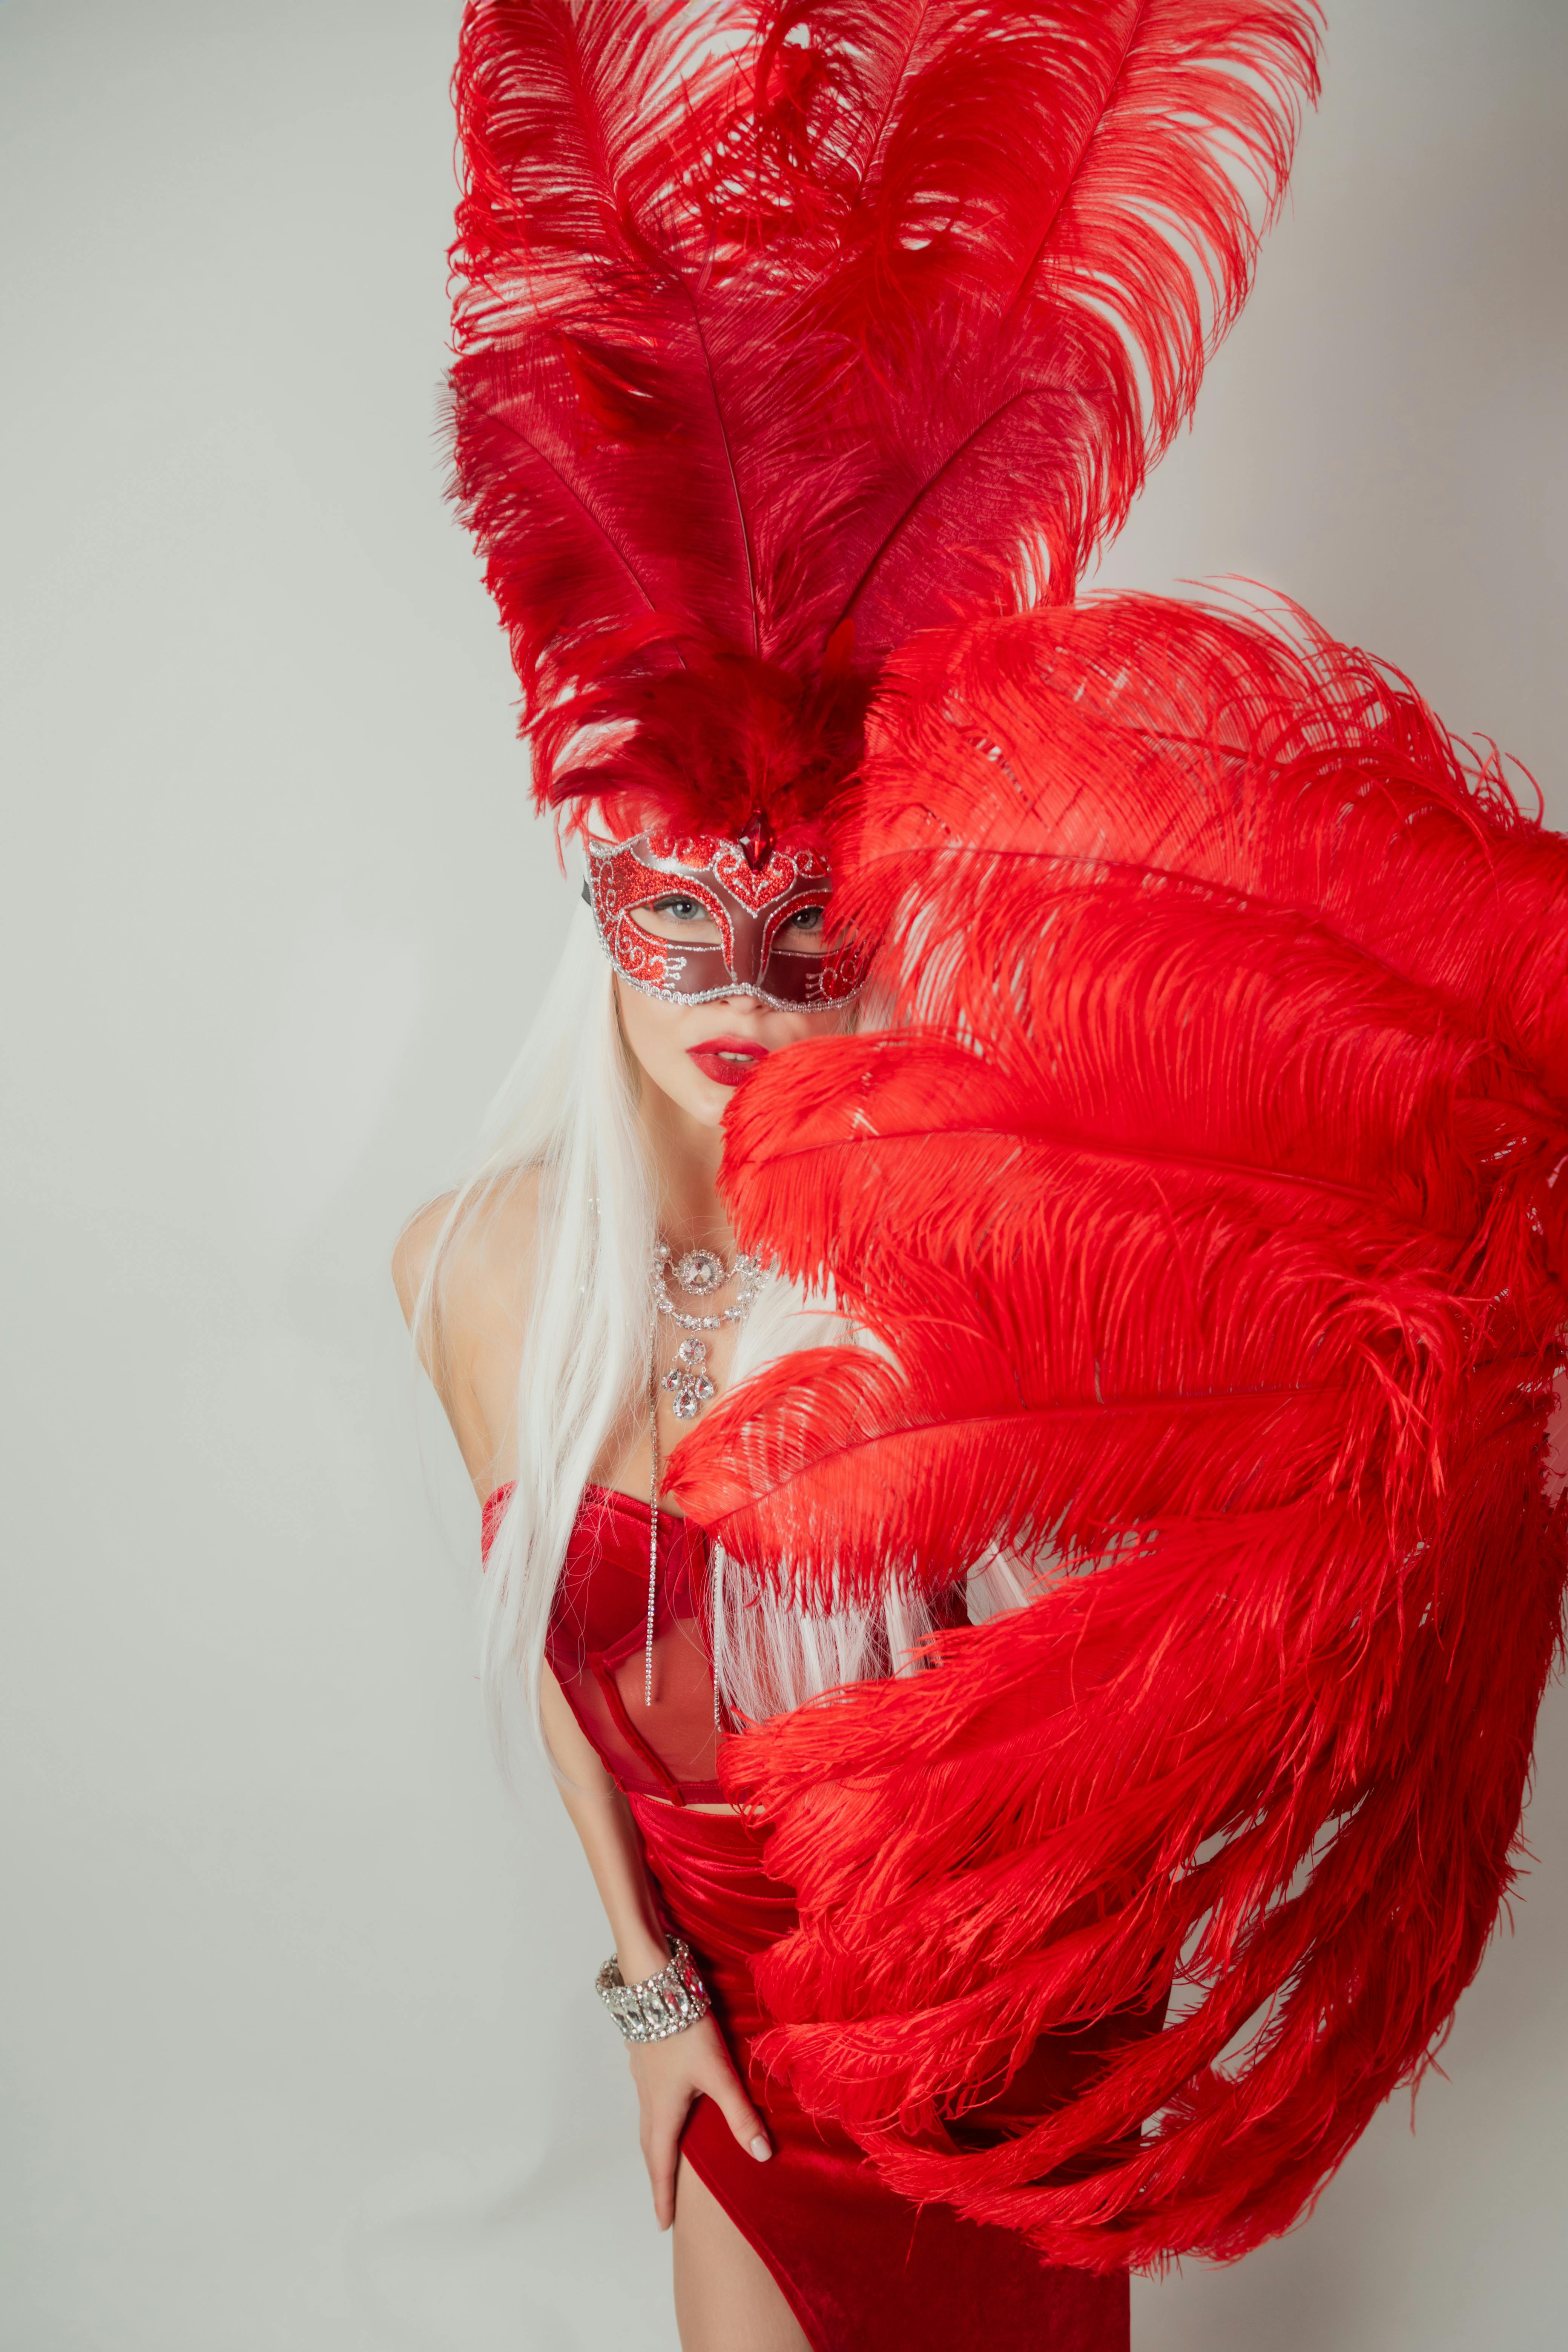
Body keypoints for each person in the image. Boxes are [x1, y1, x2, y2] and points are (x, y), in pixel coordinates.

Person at [396, 4, 1568, 2345]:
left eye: (802, 925)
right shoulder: (478, 1273)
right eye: (676, 916)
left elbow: (1192, 1630)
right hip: (754, 2100)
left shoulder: (994, 1274)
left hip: (1014, 2091)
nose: (735, 979)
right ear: (590, 910)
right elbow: (561, 1671)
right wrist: (650, 2014)